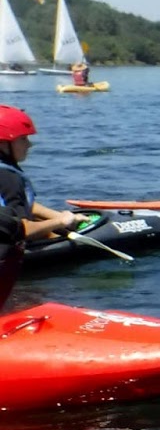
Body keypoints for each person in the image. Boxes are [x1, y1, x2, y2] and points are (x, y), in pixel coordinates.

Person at [0, 105, 79, 309]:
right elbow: (21, 228)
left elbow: (16, 207)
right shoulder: (8, 177)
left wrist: (58, 216)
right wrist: (59, 222)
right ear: (3, 143)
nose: (29, 144)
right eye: (23, 139)